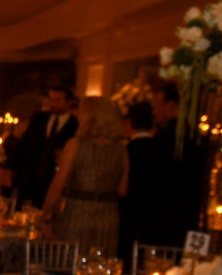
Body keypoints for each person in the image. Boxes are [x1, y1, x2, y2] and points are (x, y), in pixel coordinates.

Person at [40, 96, 128, 256]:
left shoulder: (75, 145)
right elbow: (122, 189)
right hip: (108, 219)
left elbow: (58, 185)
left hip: (77, 215)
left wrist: (46, 217)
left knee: (70, 266)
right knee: (99, 269)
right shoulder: (121, 150)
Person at [147, 81, 207, 246]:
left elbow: (153, 178)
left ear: (171, 105)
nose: (154, 112)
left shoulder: (164, 138)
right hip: (188, 215)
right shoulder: (198, 137)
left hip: (164, 216)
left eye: (157, 106)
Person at [8, 85, 78, 207]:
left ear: (69, 103)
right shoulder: (38, 118)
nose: (54, 104)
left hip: (53, 180)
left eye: (58, 100)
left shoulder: (75, 125)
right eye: (52, 99)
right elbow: (25, 145)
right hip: (30, 179)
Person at [119, 101, 155, 264]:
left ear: (129, 123)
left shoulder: (126, 150)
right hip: (152, 212)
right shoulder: (158, 148)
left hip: (128, 211)